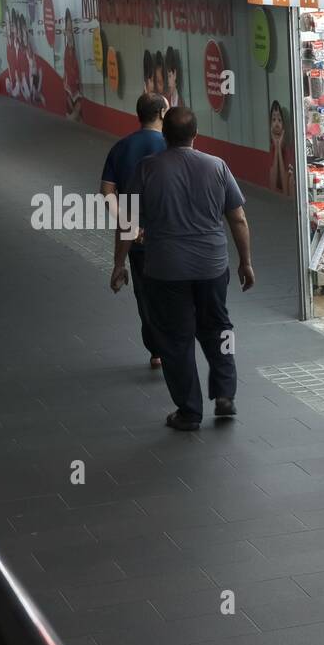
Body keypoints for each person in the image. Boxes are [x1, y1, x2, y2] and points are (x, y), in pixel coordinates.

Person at [113, 107, 256, 431]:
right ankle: (224, 395)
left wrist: (119, 263)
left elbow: (129, 222)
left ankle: (189, 412)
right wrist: (245, 262)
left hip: (165, 270)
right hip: (212, 266)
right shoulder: (216, 166)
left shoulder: (147, 169)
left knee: (175, 340)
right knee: (219, 329)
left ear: (164, 134)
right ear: (195, 134)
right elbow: (238, 218)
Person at [101, 92, 168, 369]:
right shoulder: (171, 145)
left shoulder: (121, 147)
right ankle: (174, 343)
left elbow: (106, 192)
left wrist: (129, 225)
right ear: (162, 114)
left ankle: (157, 351)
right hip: (172, 237)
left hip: (137, 241)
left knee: (146, 294)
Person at [267, 100, 295, 195]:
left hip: (288, 201)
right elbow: (273, 188)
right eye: (273, 120)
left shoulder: (290, 150)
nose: (276, 124)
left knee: (291, 179)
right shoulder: (271, 148)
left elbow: (286, 192)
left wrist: (279, 148)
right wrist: (277, 148)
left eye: (279, 120)